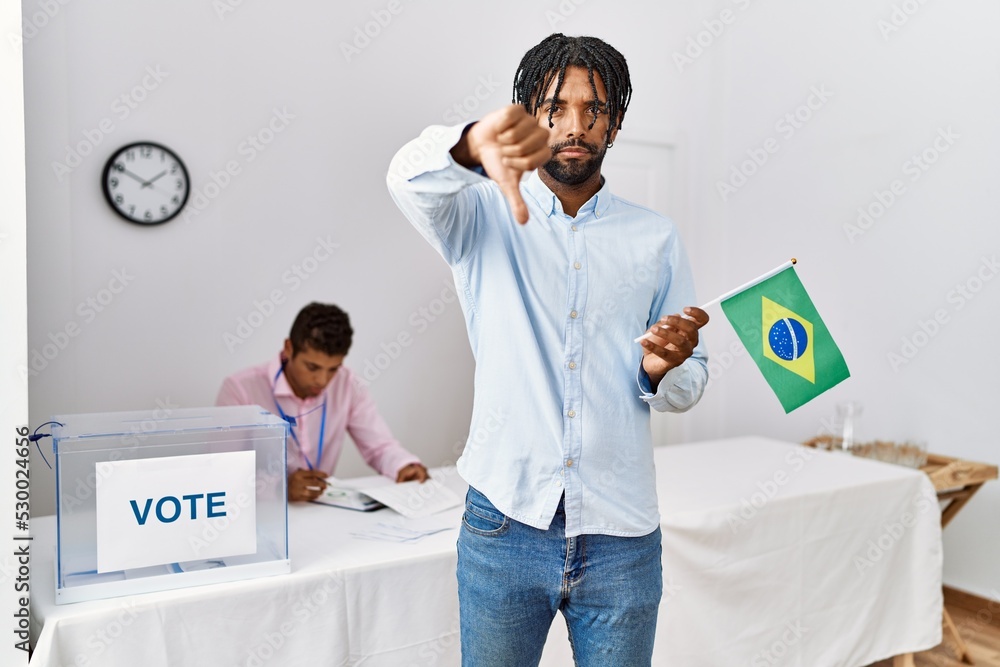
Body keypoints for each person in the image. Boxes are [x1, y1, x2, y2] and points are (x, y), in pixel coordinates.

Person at [387, 33, 709, 666]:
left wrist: (658, 371)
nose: (575, 126)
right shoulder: (480, 212)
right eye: (556, 107)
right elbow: (407, 179)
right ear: (530, 114)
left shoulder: (655, 239)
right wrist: (469, 145)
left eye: (594, 111)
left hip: (622, 535)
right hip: (503, 525)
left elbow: (691, 378)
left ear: (614, 124)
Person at [216, 302, 429, 502]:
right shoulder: (240, 389)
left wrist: (403, 465)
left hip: (319, 510)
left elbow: (379, 446)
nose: (323, 380)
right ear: (289, 348)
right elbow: (221, 471)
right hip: (258, 512)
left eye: (333, 369)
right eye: (312, 367)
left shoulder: (348, 384)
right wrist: (280, 487)